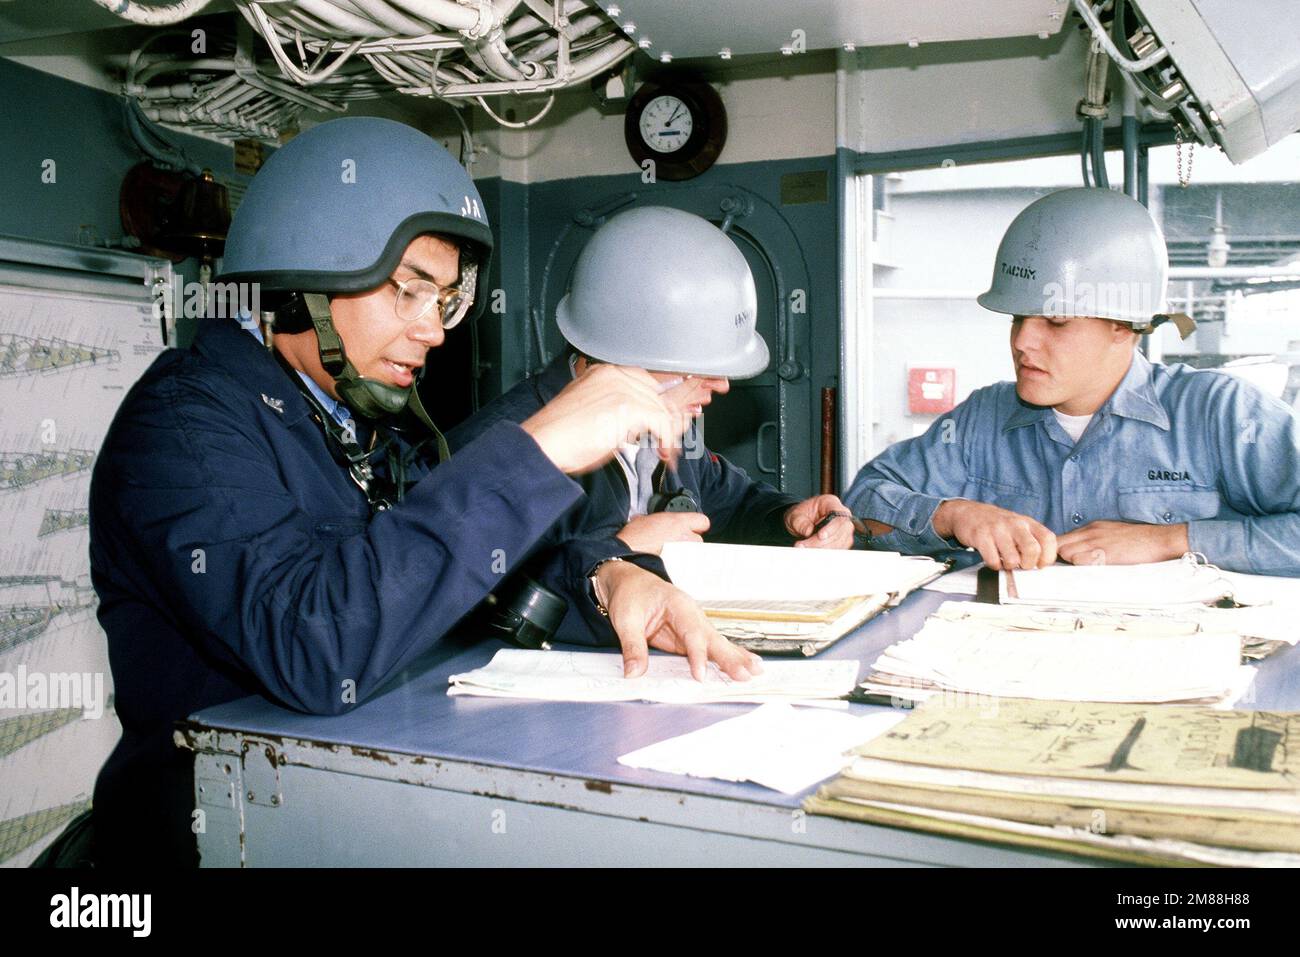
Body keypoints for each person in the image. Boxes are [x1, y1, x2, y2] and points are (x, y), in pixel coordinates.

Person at [87, 119, 760, 867]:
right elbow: (315, 641)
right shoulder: (183, 423)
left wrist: (608, 580)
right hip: (200, 840)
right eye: (408, 291)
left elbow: (450, 580)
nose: (433, 330)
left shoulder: (351, 417)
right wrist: (537, 450)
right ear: (298, 279)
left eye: (443, 299)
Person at [449, 206, 855, 647]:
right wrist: (620, 550)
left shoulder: (671, 429)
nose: (720, 385)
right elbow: (463, 597)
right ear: (617, 353)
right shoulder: (497, 447)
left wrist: (788, 518)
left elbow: (733, 504)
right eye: (696, 367)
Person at [844, 186, 1300, 576]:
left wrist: (1174, 539)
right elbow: (860, 505)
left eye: (1056, 322)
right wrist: (952, 515)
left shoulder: (1219, 413)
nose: (1023, 340)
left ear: (1123, 326)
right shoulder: (981, 422)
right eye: (1018, 317)